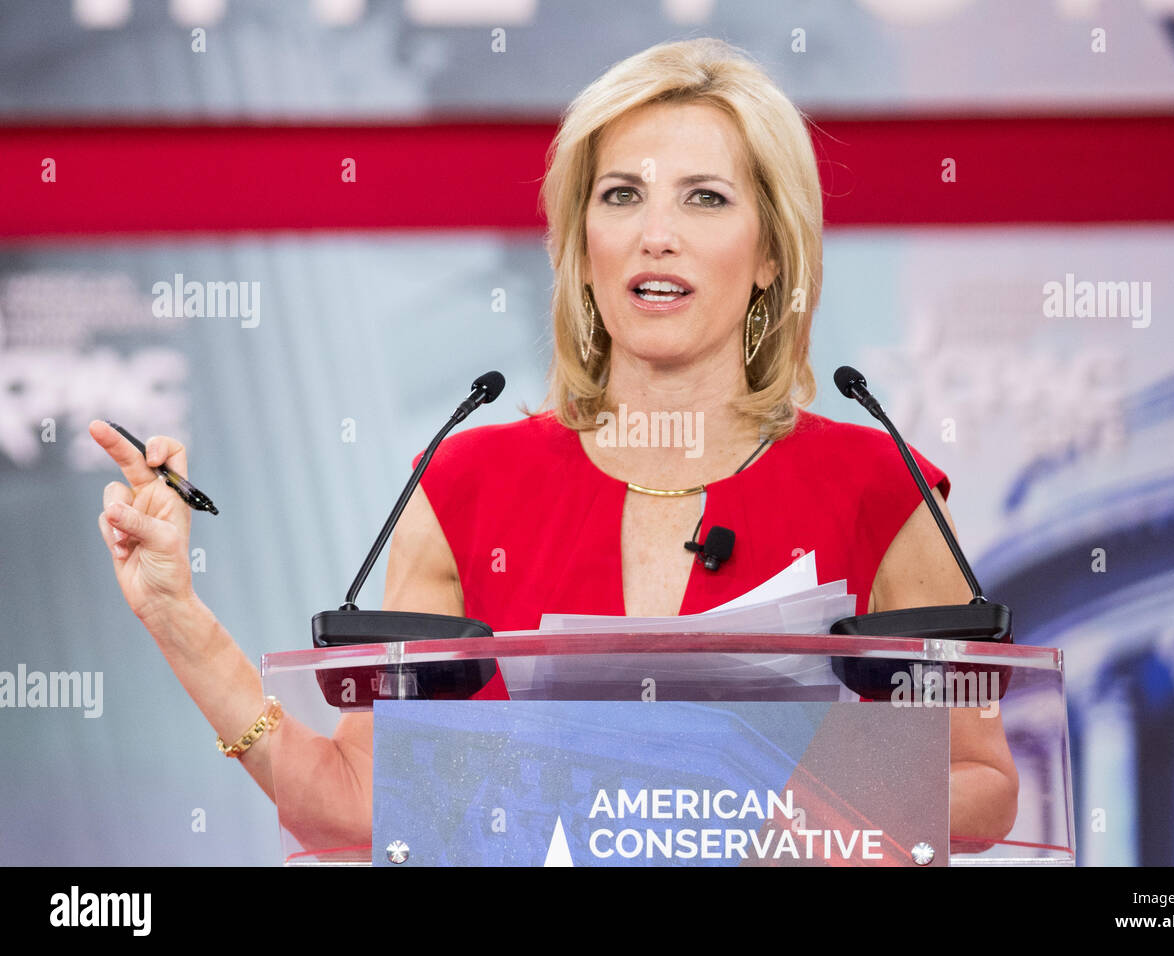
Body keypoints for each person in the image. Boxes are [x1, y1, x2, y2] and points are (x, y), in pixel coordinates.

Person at [90, 38, 1018, 858]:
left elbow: (982, 787)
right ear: (583, 240)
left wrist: (772, 802)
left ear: (772, 249)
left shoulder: (876, 487)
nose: (657, 234)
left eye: (704, 198)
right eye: (622, 196)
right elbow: (358, 806)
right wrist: (178, 615)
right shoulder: (466, 487)